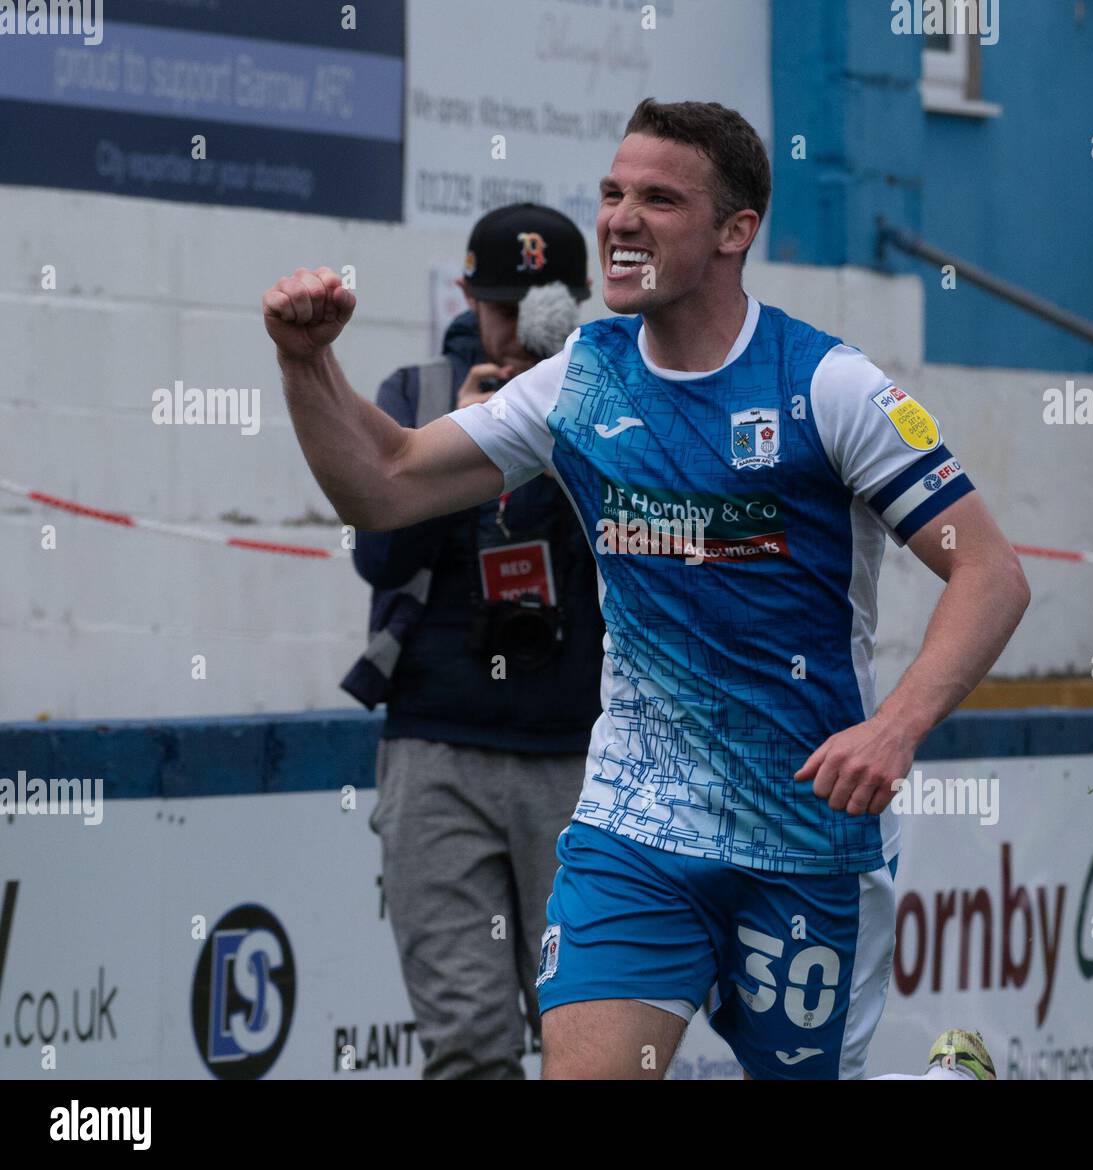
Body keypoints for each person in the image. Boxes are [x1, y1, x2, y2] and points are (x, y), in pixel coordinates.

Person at [263, 97, 1030, 1081]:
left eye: (659, 198)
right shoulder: (581, 378)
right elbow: (384, 484)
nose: (620, 219)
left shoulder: (829, 387)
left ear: (733, 230)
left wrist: (895, 730)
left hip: (804, 833)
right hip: (634, 831)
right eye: (612, 193)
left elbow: (990, 572)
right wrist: (303, 361)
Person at [339, 204, 604, 1079]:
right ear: (466, 294)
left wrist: (559, 439)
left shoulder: (611, 403)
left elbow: (638, 561)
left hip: (579, 757)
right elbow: (379, 558)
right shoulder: (415, 398)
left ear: (574, 306)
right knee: (467, 1044)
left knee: (595, 1047)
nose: (516, 326)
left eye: (537, 308)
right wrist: (464, 445)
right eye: (500, 306)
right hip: (437, 749)